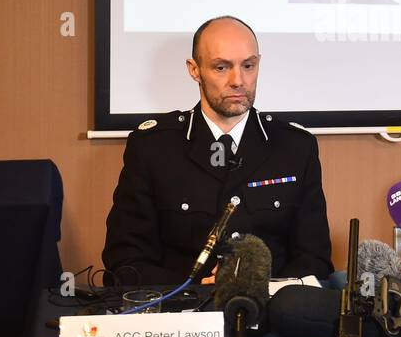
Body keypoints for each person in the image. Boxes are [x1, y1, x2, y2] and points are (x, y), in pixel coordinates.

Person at [103, 16, 333, 286]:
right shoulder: (153, 148)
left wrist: (258, 288)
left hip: (272, 314)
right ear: (194, 70)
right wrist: (197, 290)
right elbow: (125, 261)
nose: (238, 80)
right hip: (184, 316)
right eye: (222, 67)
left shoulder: (295, 147)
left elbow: (315, 259)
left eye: (248, 65)